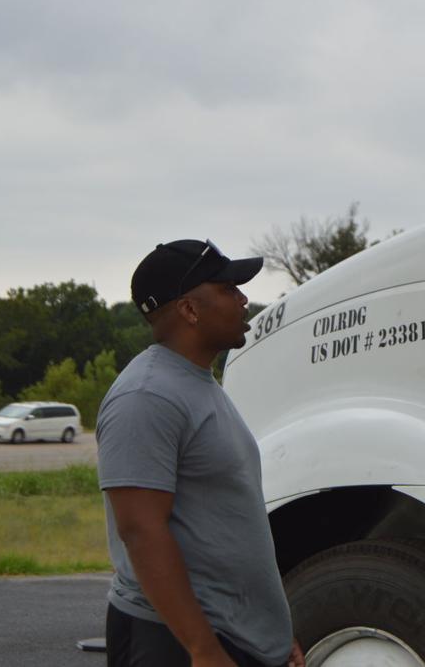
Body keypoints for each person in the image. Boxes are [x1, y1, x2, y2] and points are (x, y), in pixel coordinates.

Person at [96, 239, 305, 667]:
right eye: (229, 289)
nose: (244, 299)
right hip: (176, 642)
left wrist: (273, 634)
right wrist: (202, 648)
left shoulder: (196, 383)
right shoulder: (146, 396)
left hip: (230, 636)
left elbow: (230, 524)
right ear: (190, 310)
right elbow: (140, 531)